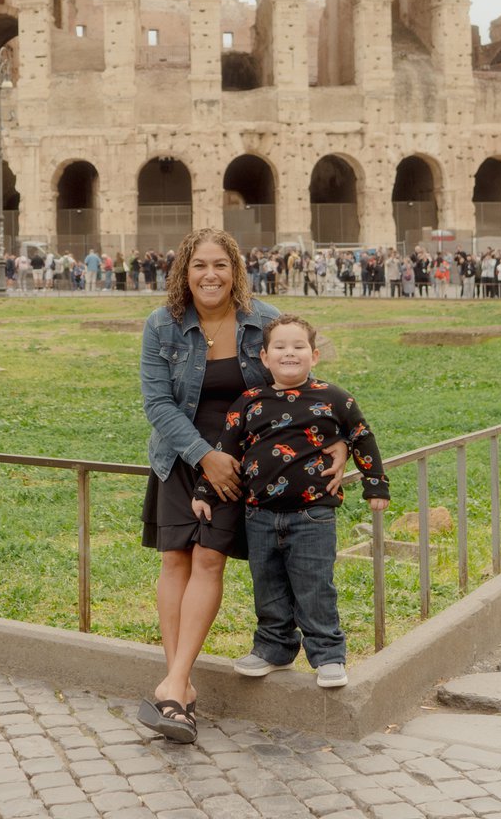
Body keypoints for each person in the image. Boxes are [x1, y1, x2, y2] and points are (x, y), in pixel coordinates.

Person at [137, 229, 347, 745]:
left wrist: (337, 437)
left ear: (236, 271)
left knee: (208, 560)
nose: (210, 275)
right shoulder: (162, 325)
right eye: (199, 265)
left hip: (241, 463)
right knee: (174, 561)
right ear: (184, 272)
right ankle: (178, 685)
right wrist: (203, 456)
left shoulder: (264, 320)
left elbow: (301, 377)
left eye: (220, 265)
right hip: (180, 455)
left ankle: (175, 688)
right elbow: (157, 403)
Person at [192, 314, 389, 691]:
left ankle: (328, 654)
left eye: (299, 347)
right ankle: (274, 648)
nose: (289, 353)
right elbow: (226, 449)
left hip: (313, 515)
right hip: (259, 514)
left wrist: (375, 485)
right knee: (268, 588)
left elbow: (362, 437)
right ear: (264, 358)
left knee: (315, 587)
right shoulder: (248, 402)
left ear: (314, 355)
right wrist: (204, 492)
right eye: (280, 347)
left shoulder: (334, 398)